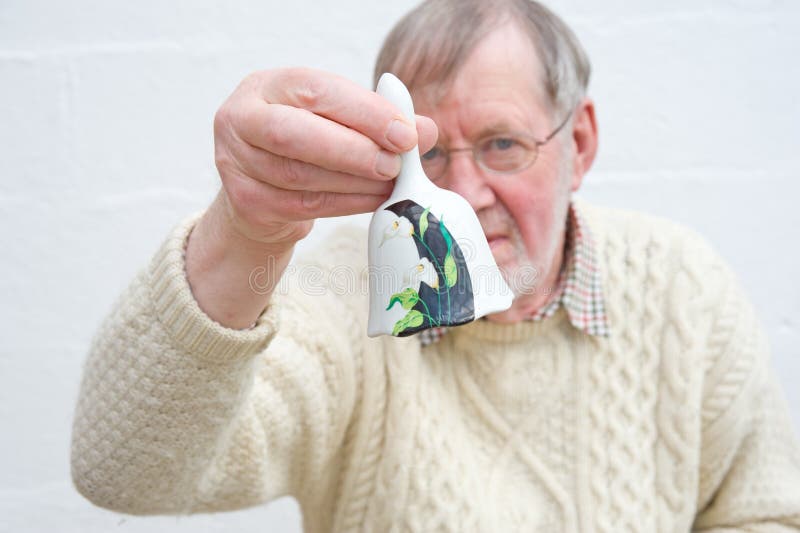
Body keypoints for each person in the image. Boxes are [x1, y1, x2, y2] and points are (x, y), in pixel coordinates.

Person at [70, 0, 800, 531]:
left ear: (578, 143)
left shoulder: (682, 287)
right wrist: (245, 229)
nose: (464, 192)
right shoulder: (351, 288)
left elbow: (766, 510)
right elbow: (126, 473)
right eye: (430, 155)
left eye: (502, 144)